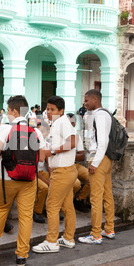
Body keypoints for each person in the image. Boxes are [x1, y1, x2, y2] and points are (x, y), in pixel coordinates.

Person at [0, 95, 46, 266]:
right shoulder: (36, 131)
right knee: (26, 216)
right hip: (29, 180)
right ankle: (21, 255)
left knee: (2, 209)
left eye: (9, 111)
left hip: (8, 179)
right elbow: (41, 158)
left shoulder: (5, 129)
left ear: (12, 110)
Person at [32, 96, 78, 254]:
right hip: (66, 170)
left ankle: (52, 241)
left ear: (61, 111)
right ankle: (68, 238)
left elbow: (72, 142)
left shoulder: (62, 122)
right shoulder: (58, 123)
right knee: (67, 206)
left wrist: (50, 151)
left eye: (52, 109)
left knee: (51, 206)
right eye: (48, 109)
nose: (49, 112)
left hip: (63, 172)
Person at [78, 89, 115, 244]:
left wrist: (95, 162)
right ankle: (109, 229)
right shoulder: (105, 113)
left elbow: (102, 142)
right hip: (107, 159)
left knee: (96, 197)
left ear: (95, 99)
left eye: (87, 100)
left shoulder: (100, 115)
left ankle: (95, 234)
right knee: (107, 194)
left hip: (99, 158)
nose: (85, 103)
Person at [67, 113, 90, 213]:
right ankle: (68, 203)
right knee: (76, 184)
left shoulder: (76, 136)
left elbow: (82, 155)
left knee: (93, 177)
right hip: (64, 166)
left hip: (74, 164)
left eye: (72, 123)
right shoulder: (58, 135)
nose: (70, 125)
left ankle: (79, 199)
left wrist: (69, 156)